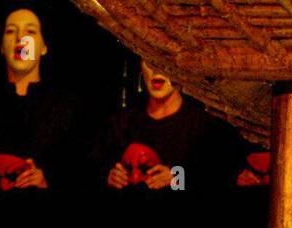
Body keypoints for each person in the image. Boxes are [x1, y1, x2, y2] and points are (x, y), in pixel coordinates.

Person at [0, 8, 76, 192]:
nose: (20, 38)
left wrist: (47, 178)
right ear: (2, 46)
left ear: (44, 46)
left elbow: (80, 172)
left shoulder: (65, 108)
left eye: (30, 31)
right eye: (11, 31)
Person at [98, 59, 235, 191]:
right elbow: (93, 168)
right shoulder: (121, 122)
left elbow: (220, 176)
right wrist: (109, 176)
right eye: (150, 61)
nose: (157, 70)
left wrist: (178, 178)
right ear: (141, 65)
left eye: (164, 61)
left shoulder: (202, 125)